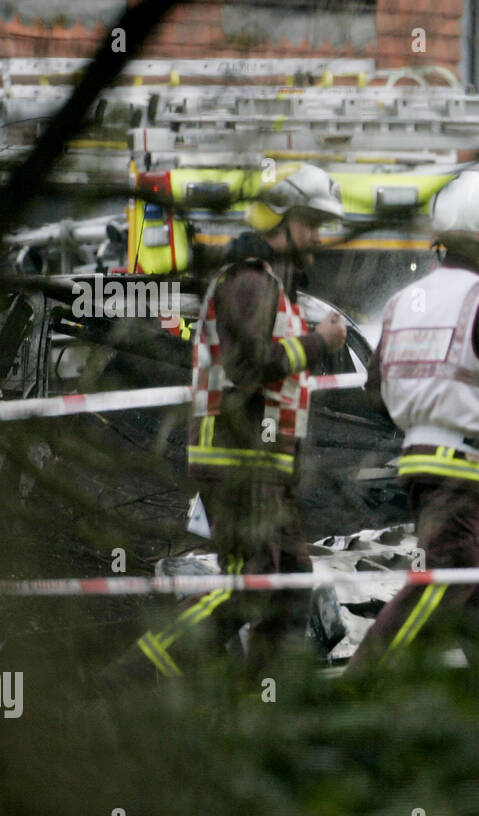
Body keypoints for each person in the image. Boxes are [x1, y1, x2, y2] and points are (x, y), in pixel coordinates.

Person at [120, 164, 347, 679]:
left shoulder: (270, 284)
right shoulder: (249, 280)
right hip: (238, 460)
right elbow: (246, 368)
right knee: (249, 589)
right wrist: (320, 344)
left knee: (289, 583)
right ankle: (133, 677)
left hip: (263, 464)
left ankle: (264, 709)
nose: (318, 235)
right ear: (281, 222)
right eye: (311, 222)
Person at [346, 171, 479, 672]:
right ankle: (357, 690)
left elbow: (375, 393)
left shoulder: (400, 303)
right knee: (445, 582)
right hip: (466, 469)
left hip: (418, 464)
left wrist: (422, 418)